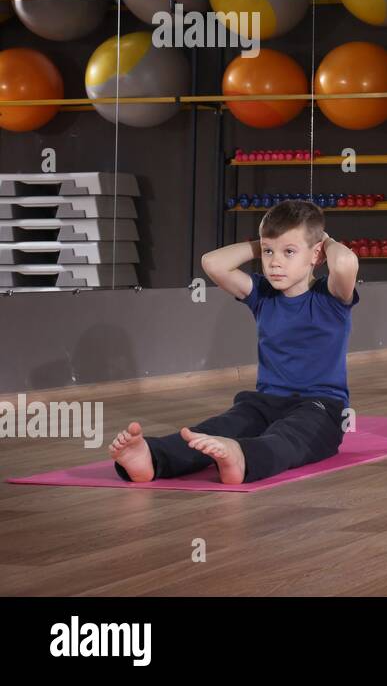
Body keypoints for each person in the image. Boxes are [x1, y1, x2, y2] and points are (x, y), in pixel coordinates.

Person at [108, 199, 360, 484]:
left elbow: (345, 261)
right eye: (268, 252)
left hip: (321, 408)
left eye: (289, 252)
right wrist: (267, 242)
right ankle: (152, 458)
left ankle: (242, 457)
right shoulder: (263, 294)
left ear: (316, 255)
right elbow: (212, 262)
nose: (274, 262)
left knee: (290, 438)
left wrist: (323, 240)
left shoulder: (331, 298)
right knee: (219, 427)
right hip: (264, 402)